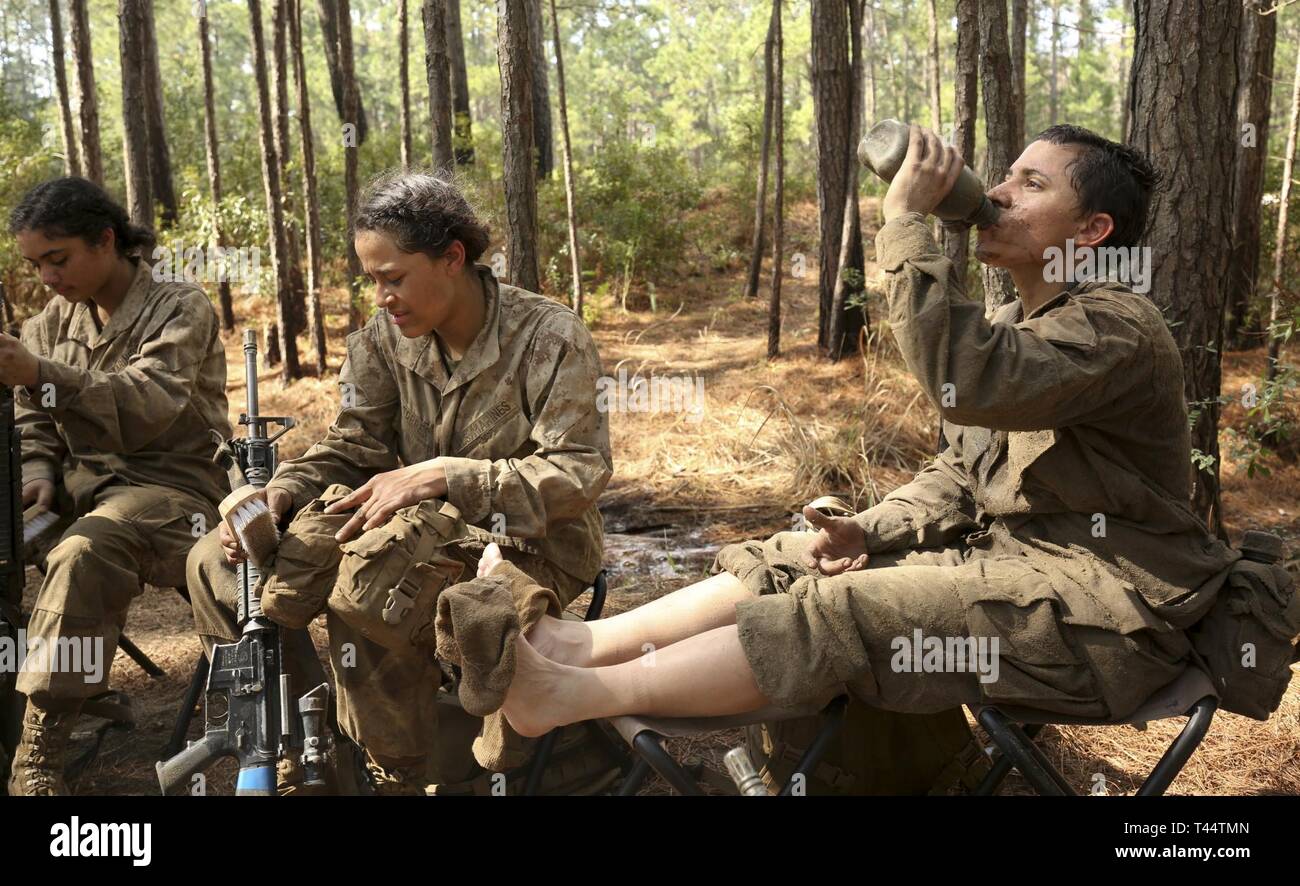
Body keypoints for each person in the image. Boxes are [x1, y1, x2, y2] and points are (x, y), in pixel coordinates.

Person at [494, 124, 1241, 740]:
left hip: (1108, 622)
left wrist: (907, 219)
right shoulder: (1020, 323)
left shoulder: (1118, 327)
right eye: (1007, 176)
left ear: (1093, 231)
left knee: (846, 610)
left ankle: (568, 697)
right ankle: (575, 645)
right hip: (1019, 576)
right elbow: (960, 475)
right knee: (795, 556)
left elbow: (972, 377)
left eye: (1033, 184)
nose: (1001, 193)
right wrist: (868, 531)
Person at [186, 171, 611, 794]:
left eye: (394, 277)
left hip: (527, 545)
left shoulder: (548, 337)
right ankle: (311, 745)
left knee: (370, 585)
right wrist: (284, 494)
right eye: (372, 280)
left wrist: (443, 476)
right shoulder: (383, 341)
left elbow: (578, 473)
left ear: (452, 258)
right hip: (401, 532)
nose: (382, 297)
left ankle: (400, 775)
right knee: (217, 564)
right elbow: (352, 446)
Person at [2, 177, 230, 795]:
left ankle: (38, 757)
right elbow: (32, 418)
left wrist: (42, 370)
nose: (47, 277)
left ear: (107, 240)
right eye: (35, 264)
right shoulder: (52, 320)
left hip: (175, 489)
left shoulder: (179, 307)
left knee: (85, 551)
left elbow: (149, 401)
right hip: (82, 488)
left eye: (58, 258)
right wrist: (37, 474)